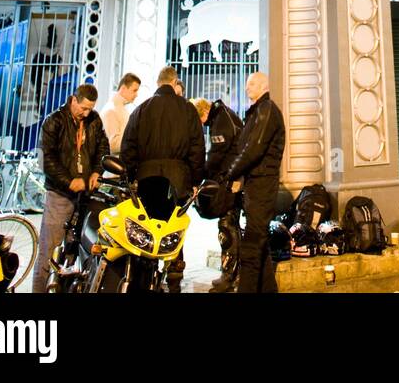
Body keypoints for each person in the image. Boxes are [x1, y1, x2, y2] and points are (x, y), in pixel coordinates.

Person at [120, 65, 205, 293]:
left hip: (146, 179)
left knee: (146, 229)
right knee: (173, 229)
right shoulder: (187, 110)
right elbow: (198, 148)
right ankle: (174, 276)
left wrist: (130, 176)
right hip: (178, 181)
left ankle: (144, 275)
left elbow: (128, 147)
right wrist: (196, 180)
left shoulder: (142, 109)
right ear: (174, 83)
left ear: (158, 83)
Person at [32, 84, 109, 292]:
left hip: (85, 196)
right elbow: (47, 160)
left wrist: (96, 172)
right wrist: (68, 181)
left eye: (90, 109)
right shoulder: (54, 121)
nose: (86, 113)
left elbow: (103, 146)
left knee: (74, 249)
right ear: (73, 100)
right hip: (60, 195)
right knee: (49, 250)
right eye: (83, 108)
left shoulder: (94, 120)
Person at [220, 71, 285, 294]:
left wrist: (231, 172)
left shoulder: (266, 111)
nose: (247, 88)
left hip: (262, 185)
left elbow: (253, 149)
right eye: (247, 84)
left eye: (252, 84)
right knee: (259, 243)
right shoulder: (258, 111)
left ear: (263, 86)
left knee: (251, 247)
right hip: (256, 185)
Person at [194, 96, 243, 293]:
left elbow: (217, 155)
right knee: (229, 226)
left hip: (230, 181)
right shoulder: (223, 116)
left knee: (227, 228)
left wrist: (203, 173)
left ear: (203, 114)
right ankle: (232, 275)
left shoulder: (221, 121)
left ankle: (229, 277)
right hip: (233, 178)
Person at [100, 72, 141, 155]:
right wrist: (136, 138)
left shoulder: (120, 108)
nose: (136, 95)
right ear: (123, 89)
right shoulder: (111, 110)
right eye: (134, 90)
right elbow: (112, 145)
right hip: (115, 165)